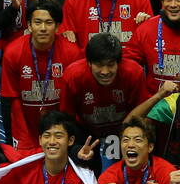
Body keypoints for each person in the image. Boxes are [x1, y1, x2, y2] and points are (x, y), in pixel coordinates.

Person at [0, 0, 80, 149]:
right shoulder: (13, 52)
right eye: (37, 22)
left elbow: (71, 102)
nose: (43, 28)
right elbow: (13, 100)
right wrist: (23, 140)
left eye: (49, 23)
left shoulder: (71, 53)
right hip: (26, 128)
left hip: (60, 128)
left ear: (57, 27)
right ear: (29, 25)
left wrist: (62, 134)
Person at [59, 33, 149, 169]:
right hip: (85, 134)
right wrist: (75, 149)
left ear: (119, 62)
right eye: (99, 65)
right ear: (88, 62)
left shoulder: (133, 73)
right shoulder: (73, 76)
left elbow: (141, 115)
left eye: (111, 65)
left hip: (121, 134)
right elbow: (66, 120)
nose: (105, 71)